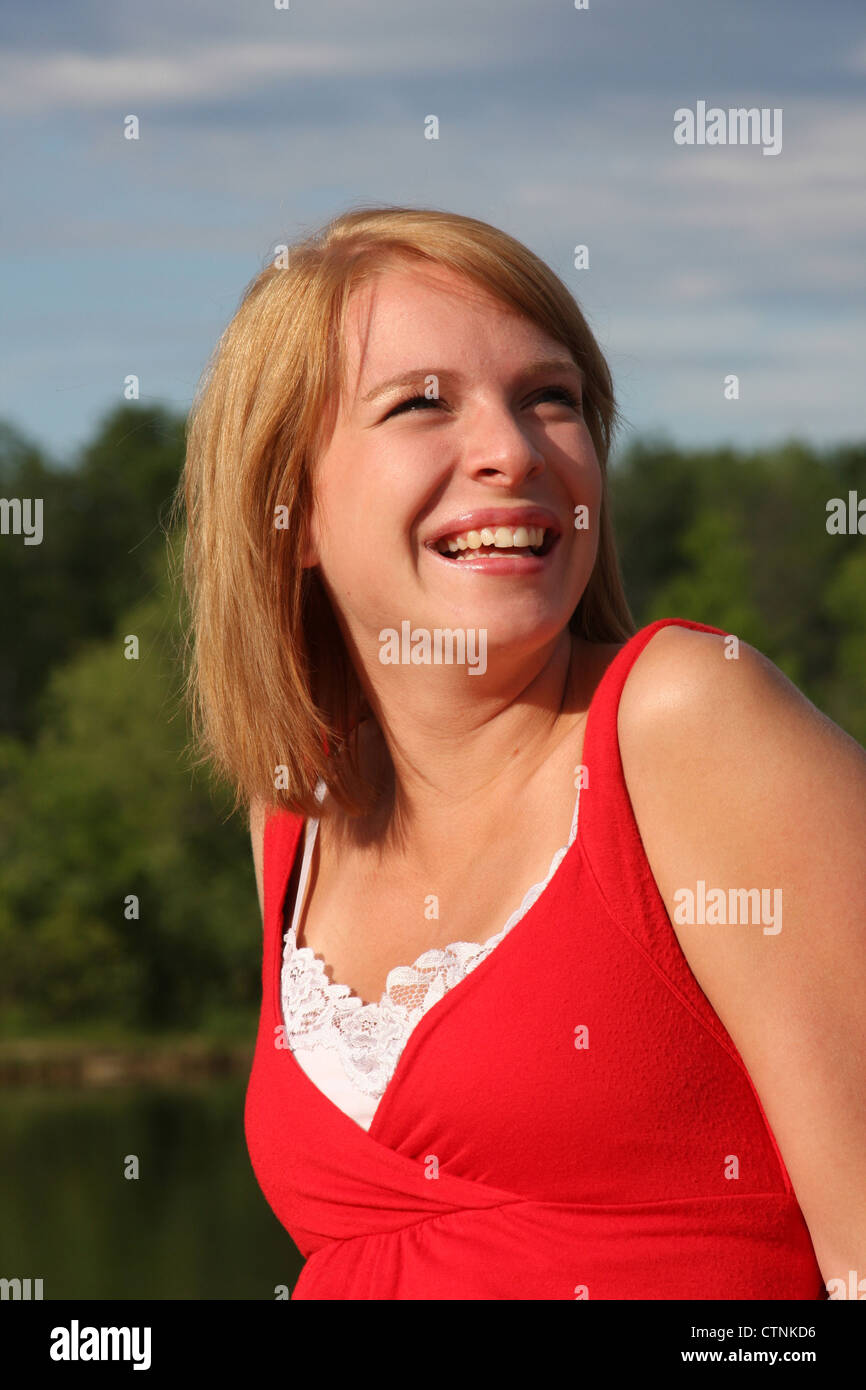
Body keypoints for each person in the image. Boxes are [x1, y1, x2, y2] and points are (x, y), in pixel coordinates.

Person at [173, 205, 866, 1300]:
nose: (513, 451)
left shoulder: (684, 723)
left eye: (553, 399)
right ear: (289, 510)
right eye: (420, 404)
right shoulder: (293, 818)